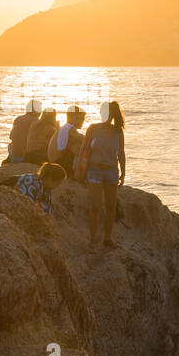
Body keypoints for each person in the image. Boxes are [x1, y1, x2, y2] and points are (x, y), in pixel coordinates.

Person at [78, 101, 127, 250]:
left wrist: (124, 172)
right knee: (95, 207)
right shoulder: (93, 128)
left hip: (112, 171)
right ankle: (92, 241)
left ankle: (107, 238)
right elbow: (83, 150)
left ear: (113, 115)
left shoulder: (118, 132)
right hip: (94, 171)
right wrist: (80, 169)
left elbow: (121, 153)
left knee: (111, 206)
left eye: (109, 113)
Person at [47, 105, 86, 174]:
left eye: (83, 119)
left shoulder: (64, 127)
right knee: (78, 146)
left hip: (54, 161)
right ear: (69, 117)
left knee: (77, 145)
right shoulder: (69, 128)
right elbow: (84, 140)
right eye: (77, 118)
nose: (81, 121)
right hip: (58, 162)